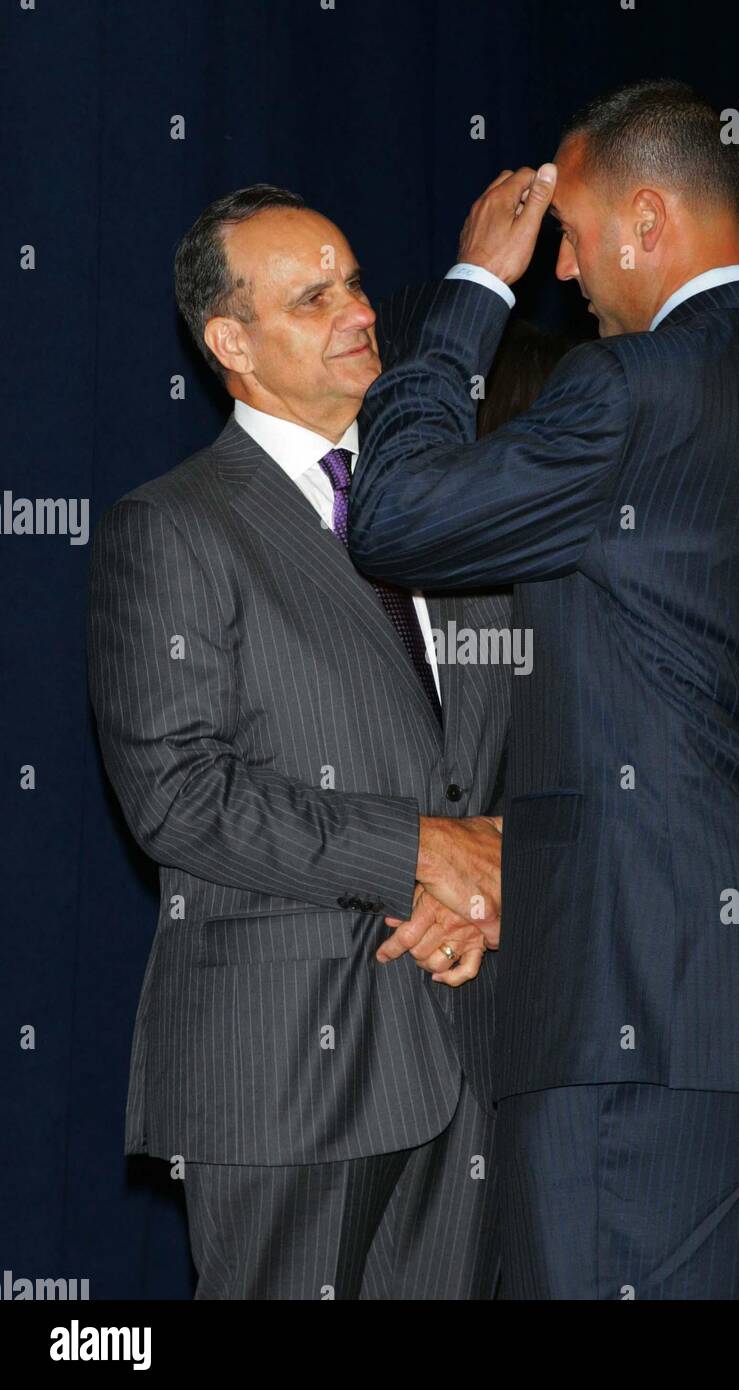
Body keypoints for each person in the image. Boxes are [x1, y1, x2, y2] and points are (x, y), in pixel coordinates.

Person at [349, 80, 739, 1298]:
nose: (560, 270)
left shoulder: (628, 392)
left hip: (627, 1022)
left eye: (568, 234)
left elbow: (396, 516)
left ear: (646, 219)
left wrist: (469, 293)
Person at [87, 184, 510, 1300]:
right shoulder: (172, 525)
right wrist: (419, 850)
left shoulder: (448, 506)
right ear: (230, 341)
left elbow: (518, 745)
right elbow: (176, 794)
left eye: (357, 281)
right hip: (280, 1070)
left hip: (472, 1047)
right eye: (313, 295)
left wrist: (492, 872)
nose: (359, 310)